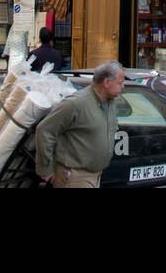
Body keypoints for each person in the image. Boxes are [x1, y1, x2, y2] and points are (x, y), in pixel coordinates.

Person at [34, 59, 125, 188]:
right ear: (106, 82)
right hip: (74, 176)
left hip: (95, 175)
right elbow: (45, 130)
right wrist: (45, 168)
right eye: (120, 82)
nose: (123, 86)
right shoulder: (76, 103)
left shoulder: (110, 103)